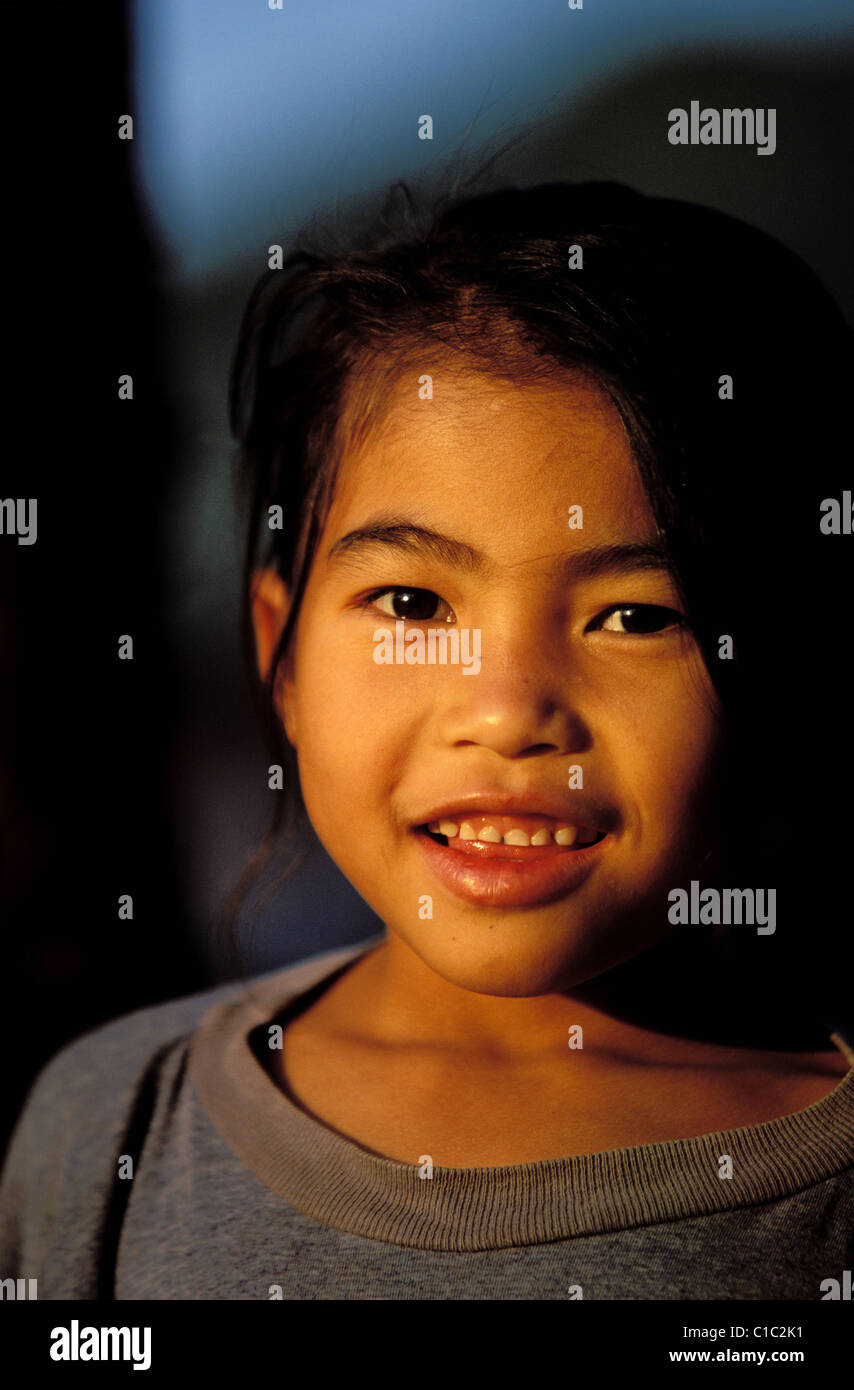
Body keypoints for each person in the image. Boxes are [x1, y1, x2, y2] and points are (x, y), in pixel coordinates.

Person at [2, 179, 852, 1300]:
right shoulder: (112, 1123)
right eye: (411, 605)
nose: (504, 712)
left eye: (637, 617)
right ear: (282, 657)